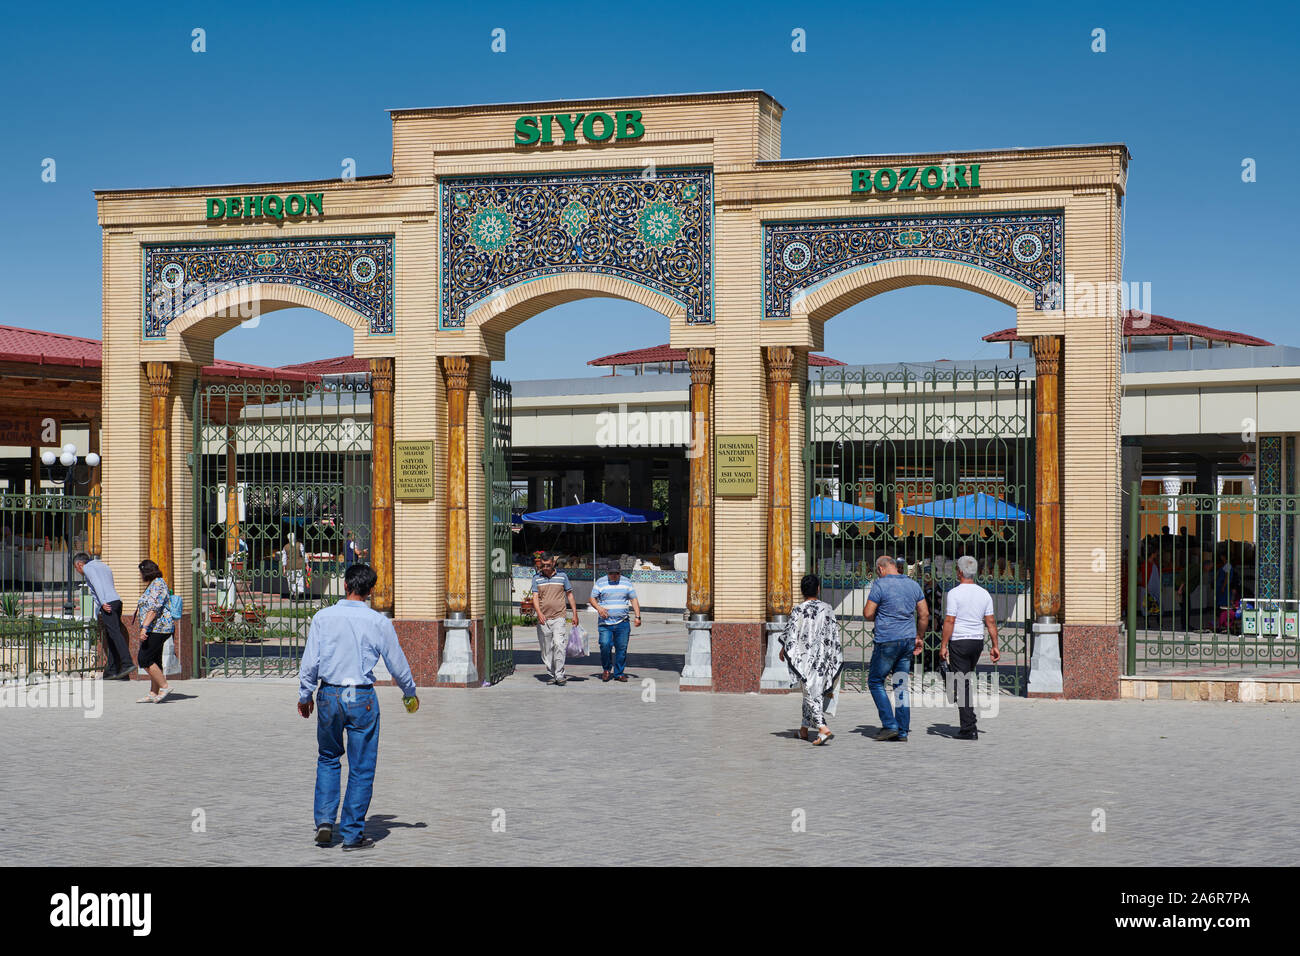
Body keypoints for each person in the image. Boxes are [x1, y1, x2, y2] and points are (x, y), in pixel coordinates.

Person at [297, 563, 417, 851]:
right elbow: (396, 663)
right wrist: (409, 692)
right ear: (371, 591)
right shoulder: (378, 622)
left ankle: (325, 822)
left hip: (329, 695)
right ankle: (352, 835)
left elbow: (310, 661)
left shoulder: (323, 617)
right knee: (361, 767)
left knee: (328, 758)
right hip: (361, 697)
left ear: (345, 585)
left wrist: (305, 695)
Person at [863, 554, 928, 741]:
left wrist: (878, 615)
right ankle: (903, 730)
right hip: (908, 639)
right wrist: (919, 637)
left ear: (881, 569)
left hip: (887, 640)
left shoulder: (880, 585)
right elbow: (924, 614)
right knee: (901, 684)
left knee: (875, 681)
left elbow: (868, 613)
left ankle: (889, 724)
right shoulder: (913, 584)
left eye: (878, 571)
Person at [940, 555, 1000, 740]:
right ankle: (969, 719)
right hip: (976, 642)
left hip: (959, 641)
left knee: (962, 683)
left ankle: (968, 728)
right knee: (965, 681)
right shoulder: (984, 594)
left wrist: (943, 645)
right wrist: (995, 646)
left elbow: (950, 620)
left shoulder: (954, 593)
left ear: (959, 572)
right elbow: (990, 622)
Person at [779, 574, 843, 745]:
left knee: (809, 691)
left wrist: (783, 649)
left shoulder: (798, 610)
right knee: (810, 690)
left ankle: (822, 727)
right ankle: (804, 730)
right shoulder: (827, 608)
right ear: (818, 589)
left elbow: (790, 634)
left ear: (802, 591)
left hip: (804, 657)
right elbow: (833, 634)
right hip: (823, 657)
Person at [73, 552, 132, 680]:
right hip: (117, 601)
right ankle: (111, 670)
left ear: (79, 564)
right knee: (111, 636)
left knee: (115, 633)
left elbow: (97, 584)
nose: (78, 571)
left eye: (76, 568)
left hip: (107, 603)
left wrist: (103, 601)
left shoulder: (88, 568)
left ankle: (127, 664)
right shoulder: (103, 566)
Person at [529, 552, 578, 686]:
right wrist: (539, 613)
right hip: (543, 618)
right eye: (543, 565)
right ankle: (551, 673)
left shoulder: (562, 577)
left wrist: (575, 613)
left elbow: (570, 595)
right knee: (546, 649)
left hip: (559, 617)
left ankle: (560, 674)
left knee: (559, 644)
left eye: (548, 565)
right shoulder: (536, 578)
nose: (545, 568)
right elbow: (535, 597)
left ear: (553, 563)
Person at [589, 562, 642, 682]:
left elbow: (633, 599)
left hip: (622, 622)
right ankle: (607, 669)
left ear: (620, 572)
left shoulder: (626, 582)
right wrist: (599, 608)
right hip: (605, 623)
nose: (614, 575)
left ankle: (619, 673)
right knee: (605, 645)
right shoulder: (600, 582)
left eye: (616, 573)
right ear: (607, 572)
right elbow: (592, 598)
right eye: (611, 573)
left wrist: (638, 616)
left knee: (621, 648)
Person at [133, 559, 175, 703]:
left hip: (158, 628)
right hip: (156, 628)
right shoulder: (155, 584)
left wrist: (144, 627)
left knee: (144, 659)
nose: (140, 576)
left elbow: (154, 608)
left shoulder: (157, 584)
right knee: (154, 659)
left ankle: (164, 686)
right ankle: (153, 692)